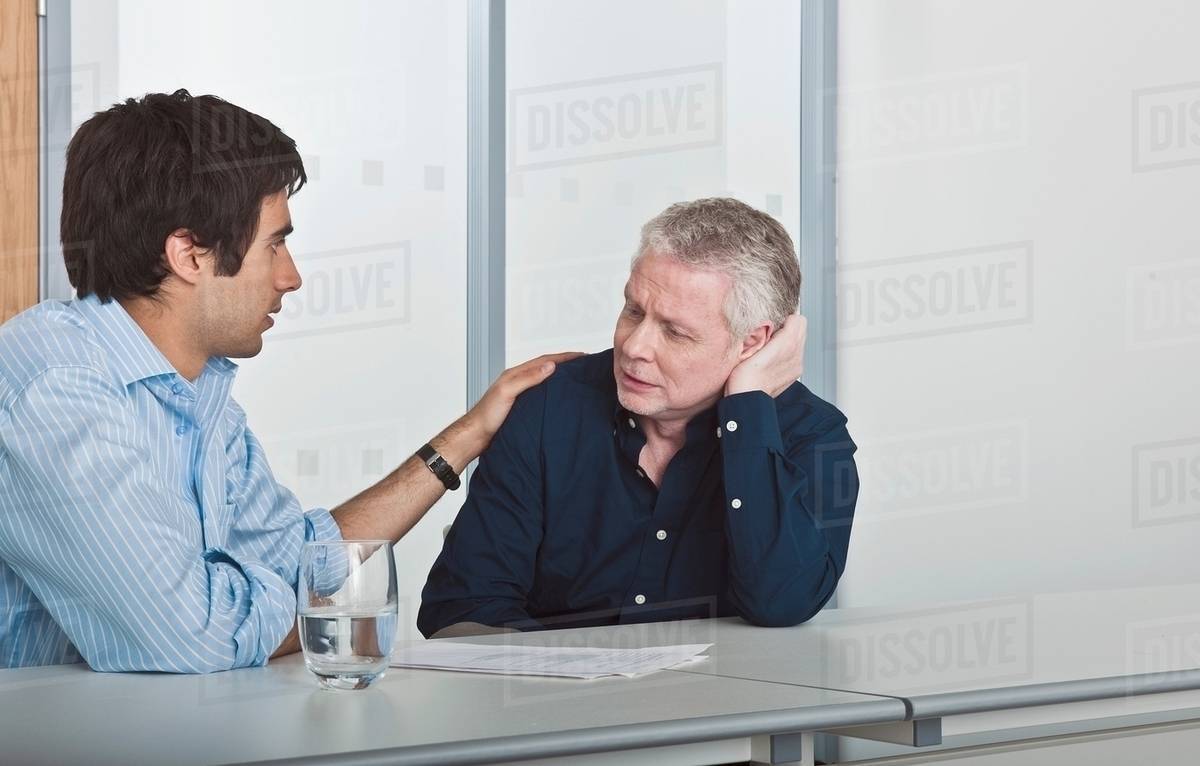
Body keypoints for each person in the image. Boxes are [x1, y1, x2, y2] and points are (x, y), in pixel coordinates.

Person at [0, 90, 576, 672]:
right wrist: (311, 608)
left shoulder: (200, 395)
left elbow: (298, 558)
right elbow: (195, 638)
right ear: (189, 255)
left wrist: (469, 435)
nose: (291, 277)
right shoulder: (57, 389)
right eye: (275, 243)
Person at [419, 198, 859, 638]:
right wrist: (571, 687)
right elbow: (460, 608)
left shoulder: (813, 438)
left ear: (753, 344)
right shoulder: (551, 406)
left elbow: (782, 603)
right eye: (633, 311)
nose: (634, 347)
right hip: (548, 702)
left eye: (675, 331)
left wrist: (746, 408)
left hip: (725, 704)